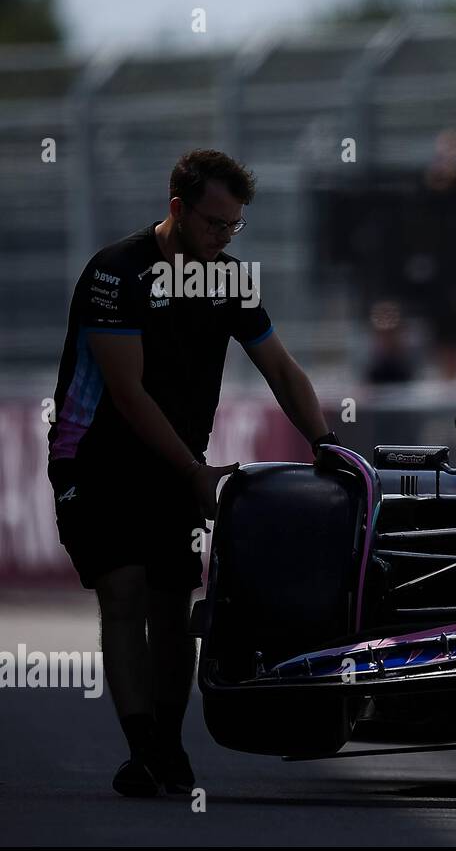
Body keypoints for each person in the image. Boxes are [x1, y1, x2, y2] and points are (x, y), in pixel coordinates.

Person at [47, 149, 338, 797]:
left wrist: (327, 443)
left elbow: (282, 370)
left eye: (234, 227)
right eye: (213, 224)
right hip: (95, 457)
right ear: (177, 208)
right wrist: (196, 472)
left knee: (173, 604)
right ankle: (143, 744)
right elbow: (127, 394)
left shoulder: (230, 281)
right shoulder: (116, 274)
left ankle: (166, 745)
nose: (222, 238)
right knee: (123, 591)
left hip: (175, 463)